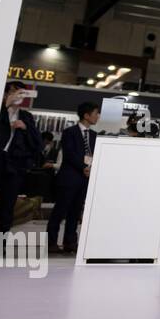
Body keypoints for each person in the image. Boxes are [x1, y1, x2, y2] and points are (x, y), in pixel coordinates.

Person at [0, 81, 42, 243]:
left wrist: (25, 128)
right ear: (6, 94)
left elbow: (37, 143)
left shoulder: (26, 116)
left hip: (15, 165)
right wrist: (5, 106)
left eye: (21, 92)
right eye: (14, 91)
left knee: (7, 207)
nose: (18, 95)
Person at [47, 102, 99, 254]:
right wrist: (84, 167)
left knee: (75, 212)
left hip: (84, 179)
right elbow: (69, 154)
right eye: (95, 113)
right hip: (69, 178)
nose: (97, 116)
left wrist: (91, 169)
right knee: (60, 211)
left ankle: (70, 241)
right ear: (86, 115)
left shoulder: (94, 135)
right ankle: (51, 242)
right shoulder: (70, 132)